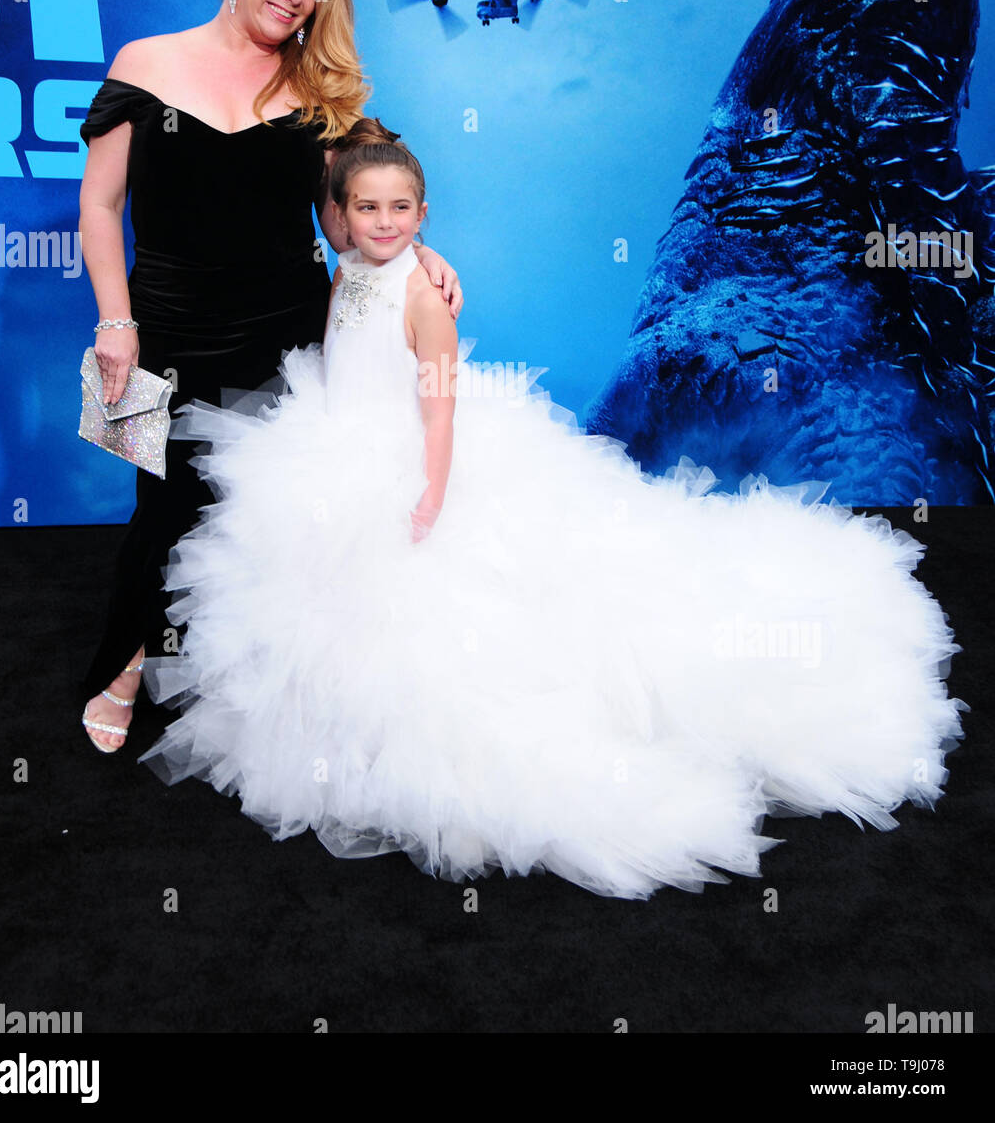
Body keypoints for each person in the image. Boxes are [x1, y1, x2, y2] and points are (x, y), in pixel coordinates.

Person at [137, 121, 966, 902]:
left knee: (432, 608)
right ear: (340, 218)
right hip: (337, 440)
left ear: (421, 216)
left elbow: (437, 405)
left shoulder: (422, 296)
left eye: (400, 211)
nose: (382, 222)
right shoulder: (345, 271)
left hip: (409, 457)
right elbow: (340, 263)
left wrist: (429, 485)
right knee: (316, 594)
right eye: (365, 209)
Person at [78, 0, 462, 753]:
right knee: (160, 504)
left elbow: (359, 208)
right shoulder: (145, 64)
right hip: (160, 325)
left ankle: (248, 679)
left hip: (284, 326)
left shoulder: (316, 87)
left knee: (260, 507)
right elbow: (100, 205)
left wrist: (418, 258)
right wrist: (115, 321)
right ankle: (129, 661)